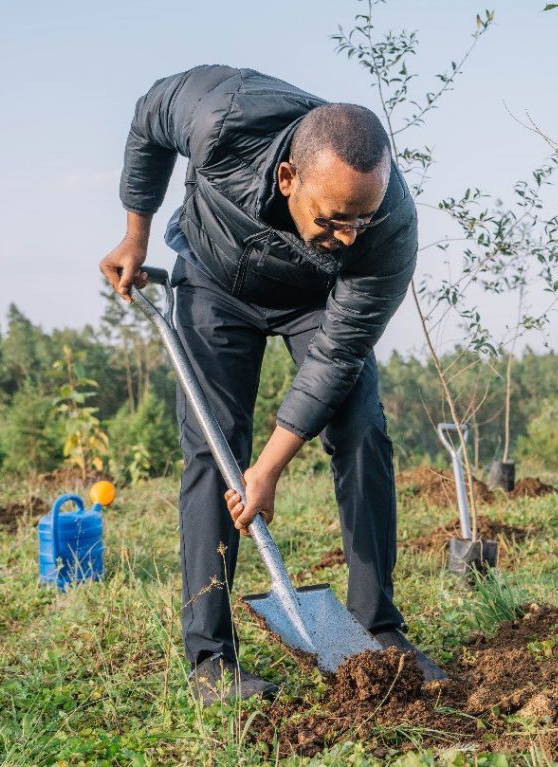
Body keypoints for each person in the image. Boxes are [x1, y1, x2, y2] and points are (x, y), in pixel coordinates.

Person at [99, 65, 444, 705]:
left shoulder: (388, 226)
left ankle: (379, 632)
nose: (349, 236)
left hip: (315, 302)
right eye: (336, 217)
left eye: (361, 220)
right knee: (214, 448)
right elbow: (149, 115)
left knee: (362, 428)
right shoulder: (221, 113)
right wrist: (136, 232)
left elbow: (337, 354)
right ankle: (211, 662)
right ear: (288, 177)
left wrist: (269, 469)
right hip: (212, 277)